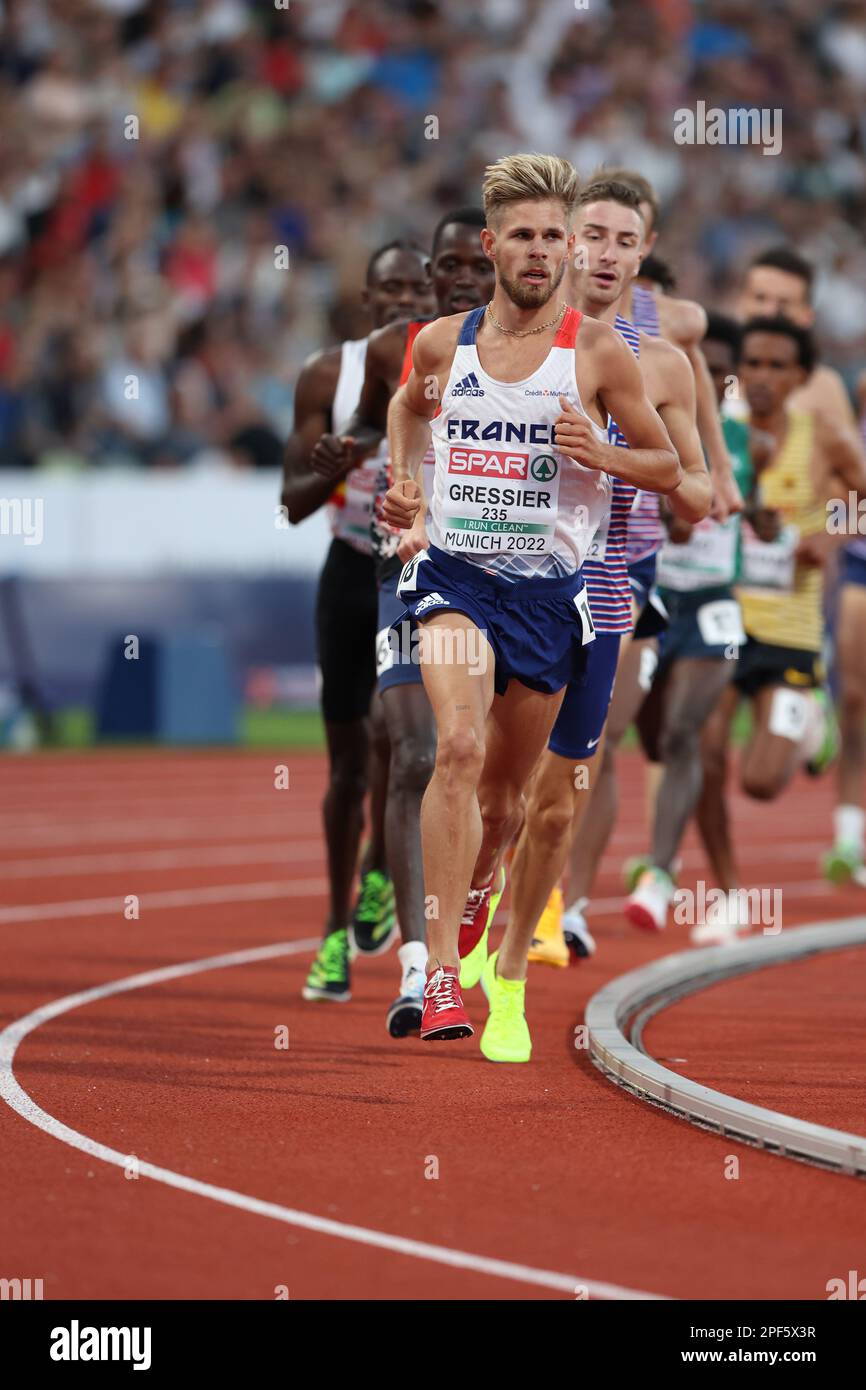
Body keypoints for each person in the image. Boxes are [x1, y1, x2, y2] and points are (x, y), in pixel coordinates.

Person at [383, 153, 681, 1059]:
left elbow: (667, 467)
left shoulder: (593, 353)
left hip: (548, 597)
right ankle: (439, 976)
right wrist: (406, 495)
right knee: (459, 748)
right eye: (526, 235)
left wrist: (601, 450)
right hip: (455, 578)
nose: (544, 250)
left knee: (510, 805)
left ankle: (481, 895)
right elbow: (407, 412)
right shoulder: (444, 344)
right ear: (493, 245)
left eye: (557, 235)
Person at [492, 179, 710, 977]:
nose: (606, 254)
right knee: (492, 774)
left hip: (611, 580)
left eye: (626, 241)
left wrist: (609, 458)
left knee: (577, 768)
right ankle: (487, 891)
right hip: (509, 579)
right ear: (564, 240)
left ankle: (551, 915)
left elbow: (697, 490)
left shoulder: (665, 362)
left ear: (643, 253)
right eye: (594, 237)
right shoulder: (502, 343)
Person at [336, 208, 495, 1034]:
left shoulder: (524, 350)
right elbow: (369, 428)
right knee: (415, 751)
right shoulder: (399, 352)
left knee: (479, 769)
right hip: (407, 564)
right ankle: (415, 970)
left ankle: (389, 859)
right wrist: (382, 479)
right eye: (449, 265)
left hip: (500, 577)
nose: (462, 277)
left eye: (477, 263)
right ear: (430, 271)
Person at [281, 241, 434, 1002]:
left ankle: (383, 868)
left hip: (415, 572)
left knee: (396, 732)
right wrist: (332, 467)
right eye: (391, 287)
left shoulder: (448, 356)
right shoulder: (329, 373)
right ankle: (334, 930)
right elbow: (291, 501)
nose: (406, 298)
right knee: (346, 768)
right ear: (367, 298)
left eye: (418, 285)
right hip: (349, 568)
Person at [696, 316, 866, 911]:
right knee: (705, 754)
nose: (763, 377)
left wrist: (834, 537)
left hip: (791, 633)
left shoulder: (822, 435)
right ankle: (730, 891)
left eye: (777, 366)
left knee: (761, 783)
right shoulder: (721, 430)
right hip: (723, 619)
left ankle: (813, 723)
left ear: (799, 376)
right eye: (754, 364)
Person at [738, 248, 866, 885]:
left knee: (762, 778)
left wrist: (831, 537)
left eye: (782, 305)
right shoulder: (718, 390)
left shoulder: (824, 398)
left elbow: (851, 493)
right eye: (759, 300)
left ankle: (809, 710)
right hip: (721, 605)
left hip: (791, 606)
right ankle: (668, 869)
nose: (768, 312)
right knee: (685, 737)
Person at [625, 313, 753, 941]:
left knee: (687, 736)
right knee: (651, 741)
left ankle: (661, 872)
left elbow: (761, 510)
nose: (717, 376)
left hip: (714, 606)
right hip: (650, 600)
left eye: (725, 367)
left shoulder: (748, 441)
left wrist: (776, 522)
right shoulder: (647, 421)